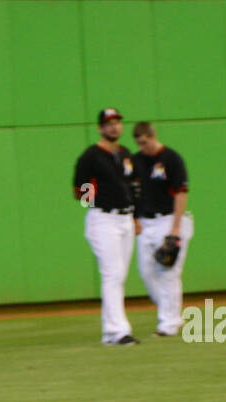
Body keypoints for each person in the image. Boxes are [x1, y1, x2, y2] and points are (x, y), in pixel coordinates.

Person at [72, 108, 139, 346]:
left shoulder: (125, 153)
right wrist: (98, 201)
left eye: (117, 122)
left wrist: (135, 216)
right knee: (113, 274)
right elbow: (79, 191)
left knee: (119, 276)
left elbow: (133, 185)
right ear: (100, 128)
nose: (114, 127)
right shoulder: (91, 156)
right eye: (108, 123)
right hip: (103, 219)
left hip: (126, 219)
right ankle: (117, 331)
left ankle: (110, 332)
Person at [132, 121, 192, 338]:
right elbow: (133, 192)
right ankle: (173, 315)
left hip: (169, 220)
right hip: (146, 223)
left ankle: (167, 325)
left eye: (145, 142)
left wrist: (175, 229)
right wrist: (134, 218)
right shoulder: (136, 160)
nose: (143, 147)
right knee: (146, 272)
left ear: (153, 135)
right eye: (139, 143)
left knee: (168, 272)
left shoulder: (171, 159)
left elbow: (181, 193)